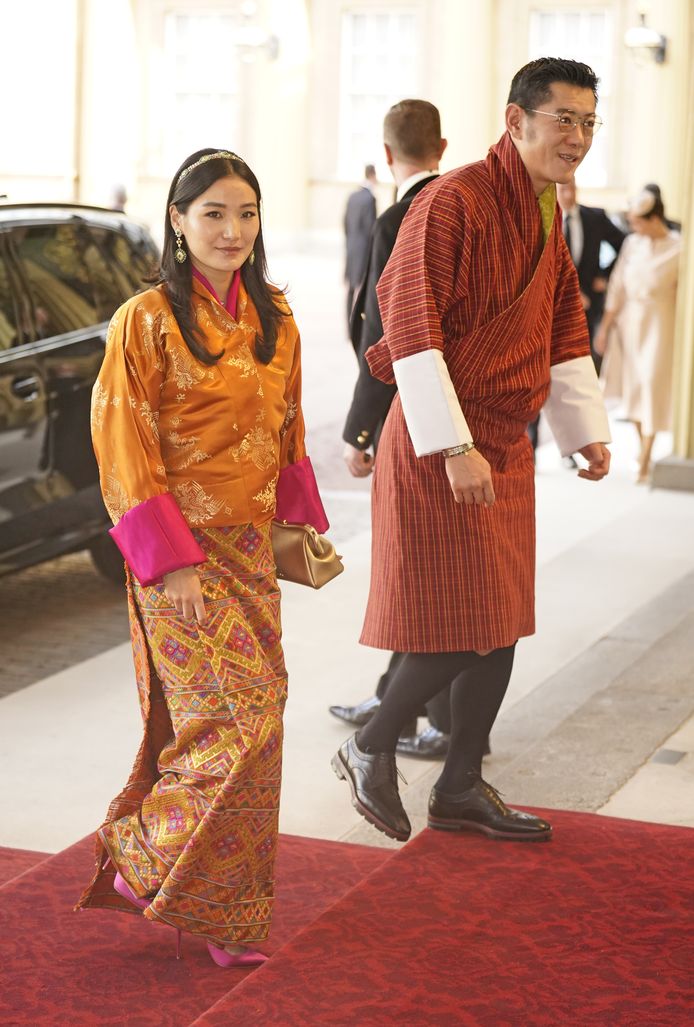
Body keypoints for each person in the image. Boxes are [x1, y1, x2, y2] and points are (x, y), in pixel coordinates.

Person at [331, 57, 611, 844]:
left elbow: (563, 321)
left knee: (502, 618)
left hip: (504, 443)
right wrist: (453, 444)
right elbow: (408, 320)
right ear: (515, 119)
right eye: (565, 119)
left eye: (590, 121)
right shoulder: (452, 200)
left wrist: (584, 428)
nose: (579, 136)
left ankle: (458, 785)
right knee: (459, 624)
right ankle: (369, 743)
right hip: (438, 443)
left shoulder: (545, 208)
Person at [76, 148, 327, 968]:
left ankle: (221, 911)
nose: (232, 229)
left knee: (266, 719)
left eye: (246, 213)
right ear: (178, 222)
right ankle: (144, 850)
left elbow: (288, 432)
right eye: (213, 212)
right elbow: (122, 442)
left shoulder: (277, 316)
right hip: (179, 558)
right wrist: (167, 561)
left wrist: (297, 529)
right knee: (235, 722)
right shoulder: (144, 318)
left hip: (251, 550)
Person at [332, 99, 452, 760]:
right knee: (430, 569)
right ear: (442, 145)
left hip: (416, 417)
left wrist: (361, 431)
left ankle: (430, 714)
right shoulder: (470, 204)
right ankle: (396, 696)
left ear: (387, 154)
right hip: (455, 412)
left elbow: (386, 331)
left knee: (423, 571)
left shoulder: (401, 214)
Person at [595, 184, 681, 484]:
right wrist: (605, 327)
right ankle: (641, 447)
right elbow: (617, 286)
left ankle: (646, 456)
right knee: (632, 389)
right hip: (629, 325)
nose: (631, 226)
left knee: (652, 385)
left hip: (660, 325)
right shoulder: (632, 244)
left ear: (652, 218)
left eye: (635, 221)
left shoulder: (679, 247)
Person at [556, 177, 625, 372]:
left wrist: (605, 274)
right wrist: (572, 292)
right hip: (557, 303)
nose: (569, 194)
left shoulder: (595, 217)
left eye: (572, 189)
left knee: (588, 362)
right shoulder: (542, 217)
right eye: (563, 191)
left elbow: (624, 245)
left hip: (590, 306)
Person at [343, 164, 377, 328]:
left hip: (351, 247)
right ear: (373, 176)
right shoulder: (370, 198)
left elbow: (345, 222)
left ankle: (348, 326)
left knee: (350, 288)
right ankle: (358, 326)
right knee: (364, 289)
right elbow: (371, 227)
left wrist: (349, 242)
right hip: (364, 250)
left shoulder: (352, 196)